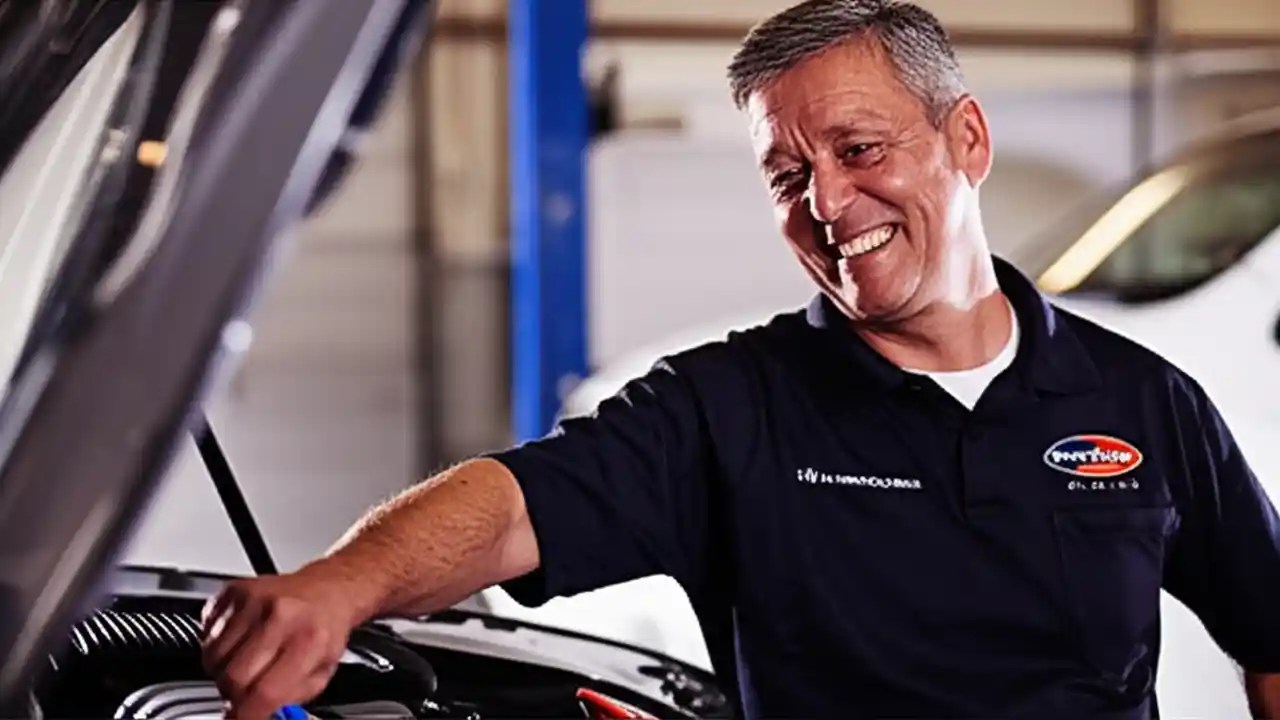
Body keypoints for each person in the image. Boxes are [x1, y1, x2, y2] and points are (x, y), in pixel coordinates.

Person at [200, 1, 1280, 718]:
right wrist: (338, 587)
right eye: (786, 176)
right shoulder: (725, 408)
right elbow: (513, 504)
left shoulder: (1146, 401)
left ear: (967, 141)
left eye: (858, 150)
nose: (827, 203)